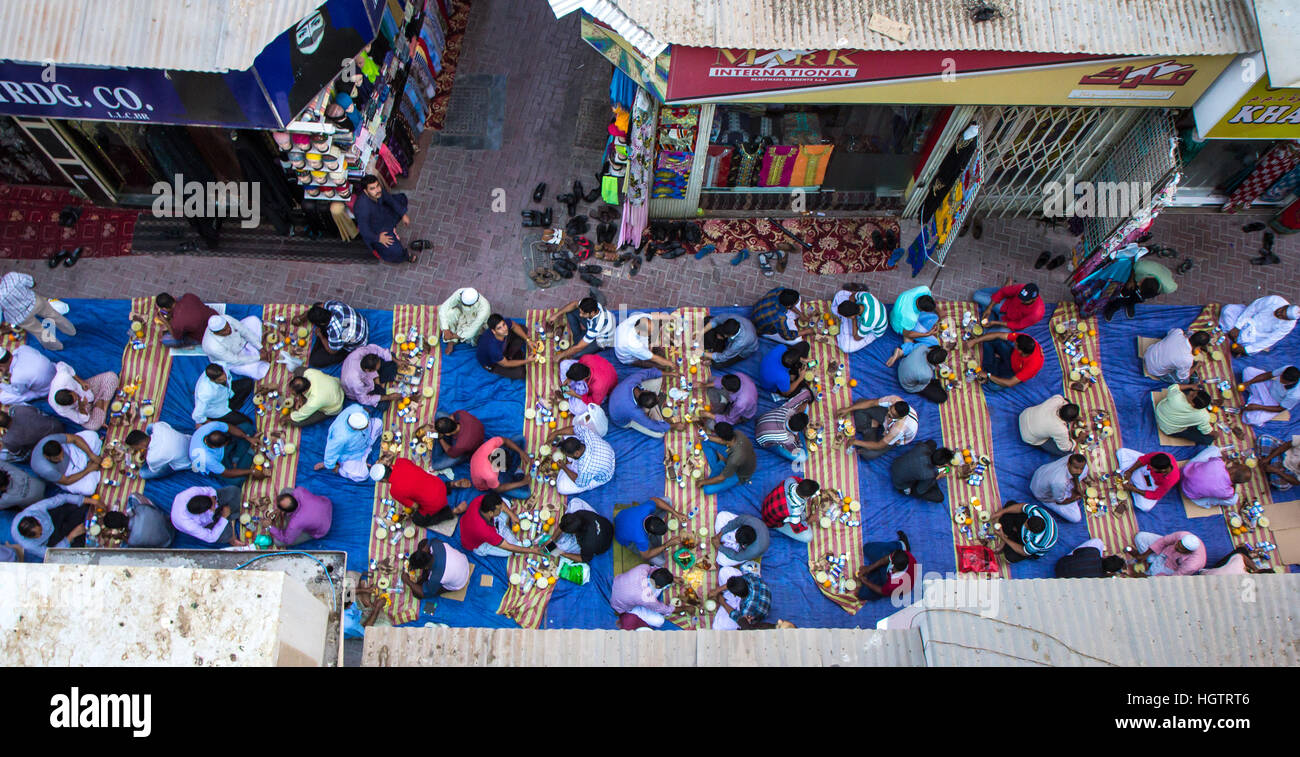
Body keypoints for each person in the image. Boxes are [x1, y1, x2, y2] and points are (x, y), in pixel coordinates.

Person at [372, 459, 472, 527]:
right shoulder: (401, 461)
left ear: (383, 480)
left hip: (436, 503)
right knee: (426, 485)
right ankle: (453, 484)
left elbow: (415, 506)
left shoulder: (395, 491)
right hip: (438, 484)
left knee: (417, 520)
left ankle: (453, 512)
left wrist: (409, 511)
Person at [353, 175, 421, 263]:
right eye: (372, 188)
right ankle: (405, 256)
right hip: (379, 230)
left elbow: (390, 200)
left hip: (386, 215)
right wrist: (378, 238)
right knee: (396, 251)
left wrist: (403, 214)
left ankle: (393, 229)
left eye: (378, 186)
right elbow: (364, 230)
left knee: (402, 199)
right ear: (365, 191)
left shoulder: (379, 192)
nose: (377, 190)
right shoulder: (362, 207)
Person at [0, 272, 76, 350]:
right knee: (55, 316)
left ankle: (57, 347)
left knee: (40, 332)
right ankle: (71, 331)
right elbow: (32, 283)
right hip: (35, 303)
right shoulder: (12, 277)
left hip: (20, 317)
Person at [458, 492, 543, 558]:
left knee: (505, 503)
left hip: (474, 525)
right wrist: (532, 551)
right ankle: (495, 536)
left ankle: (500, 527)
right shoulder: (485, 531)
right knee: (510, 550)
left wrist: (512, 515)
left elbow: (501, 503)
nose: (501, 509)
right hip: (478, 544)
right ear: (490, 513)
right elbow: (508, 546)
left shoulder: (479, 501)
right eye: (499, 509)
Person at [546, 419, 616, 495]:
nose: (566, 456)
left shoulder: (585, 468)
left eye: (568, 455)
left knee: (561, 487)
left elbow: (579, 483)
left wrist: (564, 467)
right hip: (607, 454)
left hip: (602, 475)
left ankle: (571, 465)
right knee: (569, 433)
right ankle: (571, 462)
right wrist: (556, 433)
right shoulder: (587, 435)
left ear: (576, 453)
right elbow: (574, 429)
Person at [612, 496, 688, 565]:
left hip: (621, 517)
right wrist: (667, 544)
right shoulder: (642, 539)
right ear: (650, 534)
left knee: (667, 501)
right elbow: (646, 556)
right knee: (661, 561)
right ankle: (658, 544)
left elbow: (655, 500)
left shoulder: (647, 509)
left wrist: (676, 514)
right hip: (623, 538)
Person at [10, 492, 87, 559]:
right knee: (78, 547)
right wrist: (71, 536)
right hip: (52, 538)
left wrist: (90, 501)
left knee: (81, 508)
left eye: (41, 529)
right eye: (40, 534)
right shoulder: (29, 545)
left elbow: (62, 498)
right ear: (30, 538)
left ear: (38, 521)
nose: (42, 533)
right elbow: (51, 554)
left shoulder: (35, 510)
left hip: (51, 517)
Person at [295, 301, 369, 368]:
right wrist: (302, 317)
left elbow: (332, 351)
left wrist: (320, 336)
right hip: (360, 324)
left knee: (314, 360)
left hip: (357, 342)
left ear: (322, 323)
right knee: (316, 305)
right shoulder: (335, 306)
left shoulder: (335, 333)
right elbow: (319, 306)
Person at [841, 396, 918, 460]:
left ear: (899, 417)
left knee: (867, 454)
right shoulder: (894, 400)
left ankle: (871, 428)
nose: (888, 413)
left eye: (892, 414)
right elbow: (872, 403)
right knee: (860, 403)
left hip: (894, 436)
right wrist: (848, 409)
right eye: (890, 409)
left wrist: (856, 442)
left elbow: (880, 445)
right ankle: (868, 429)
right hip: (887, 422)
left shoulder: (899, 429)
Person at [315, 406, 381, 481]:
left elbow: (366, 411)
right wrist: (329, 465)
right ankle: (342, 468)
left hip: (366, 440)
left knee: (378, 423)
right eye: (365, 425)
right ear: (355, 428)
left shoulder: (356, 409)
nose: (368, 423)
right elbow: (330, 452)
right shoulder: (340, 437)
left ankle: (364, 457)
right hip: (351, 454)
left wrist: (366, 418)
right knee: (363, 475)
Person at [48, 361, 118, 431]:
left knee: (111, 377)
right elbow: (80, 420)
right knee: (94, 426)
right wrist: (82, 408)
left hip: (85, 389)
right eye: (75, 400)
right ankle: (99, 403)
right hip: (80, 408)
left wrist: (80, 381)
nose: (78, 398)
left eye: (76, 396)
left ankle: (103, 409)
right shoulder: (62, 410)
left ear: (69, 390)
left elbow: (61, 364)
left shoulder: (63, 378)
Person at [1219, 295, 1298, 356]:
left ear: (1287, 320)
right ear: (1286, 306)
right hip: (1247, 319)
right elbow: (1252, 309)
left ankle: (1236, 341)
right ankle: (1234, 336)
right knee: (1228, 310)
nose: (1278, 314)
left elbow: (1271, 339)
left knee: (1252, 349)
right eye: (1281, 310)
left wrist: (1246, 349)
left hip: (1255, 336)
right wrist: (1237, 327)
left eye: (1282, 316)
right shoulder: (1275, 300)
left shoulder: (1288, 325)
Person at [202, 313, 270, 380]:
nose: (229, 330)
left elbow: (244, 331)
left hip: (243, 342)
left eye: (228, 326)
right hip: (234, 359)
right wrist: (259, 357)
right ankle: (256, 356)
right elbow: (235, 360)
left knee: (253, 320)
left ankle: (256, 352)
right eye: (224, 331)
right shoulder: (213, 347)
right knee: (257, 371)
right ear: (216, 333)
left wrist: (260, 347)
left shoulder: (226, 319)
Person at [189, 420, 259, 485]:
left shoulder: (211, 427)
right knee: (238, 480)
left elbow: (229, 427)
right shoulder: (208, 459)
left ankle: (236, 458)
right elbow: (226, 473)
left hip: (225, 450)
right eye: (224, 444)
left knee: (246, 427)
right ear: (214, 447)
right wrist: (251, 471)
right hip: (220, 462)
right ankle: (250, 451)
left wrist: (247, 437)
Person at [31, 432, 102, 495]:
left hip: (71, 454)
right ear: (47, 457)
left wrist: (91, 455)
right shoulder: (46, 469)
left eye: (61, 455)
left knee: (92, 436)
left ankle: (91, 463)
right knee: (89, 489)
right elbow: (67, 481)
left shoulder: (50, 440)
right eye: (57, 458)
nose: (61, 459)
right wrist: (88, 469)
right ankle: (91, 467)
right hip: (67, 473)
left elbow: (75, 439)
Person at [170, 484, 245, 545]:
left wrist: (213, 499)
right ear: (202, 513)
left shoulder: (192, 492)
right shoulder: (188, 525)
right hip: (206, 524)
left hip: (211, 505)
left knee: (233, 491)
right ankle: (230, 521)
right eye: (212, 507)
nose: (215, 506)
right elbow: (211, 537)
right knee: (225, 535)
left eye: (213, 504)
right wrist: (224, 517)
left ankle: (231, 517)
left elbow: (210, 490)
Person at [696, 422, 756, 495]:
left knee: (707, 489)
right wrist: (706, 436)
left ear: (722, 438)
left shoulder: (735, 458)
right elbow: (723, 441)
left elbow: (721, 478)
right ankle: (721, 464)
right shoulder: (737, 433)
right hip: (733, 455)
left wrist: (702, 482)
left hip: (738, 473)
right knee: (705, 440)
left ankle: (720, 465)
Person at [1180, 446, 1250, 509]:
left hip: (1184, 472)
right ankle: (1207, 501)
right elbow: (1230, 493)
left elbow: (1217, 459)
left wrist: (1225, 462)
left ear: (1233, 470)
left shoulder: (1219, 463)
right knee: (1233, 500)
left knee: (1214, 449)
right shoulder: (1228, 492)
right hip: (1190, 494)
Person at [754, 387, 811, 463]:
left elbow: (805, 393)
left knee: (806, 407)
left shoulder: (787, 410)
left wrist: (806, 401)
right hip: (762, 441)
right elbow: (794, 449)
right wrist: (799, 441)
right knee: (803, 457)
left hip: (761, 421)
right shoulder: (787, 439)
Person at [1028, 453, 1089, 523]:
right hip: (1042, 494)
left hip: (1041, 473)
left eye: (1081, 468)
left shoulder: (1071, 457)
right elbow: (1060, 502)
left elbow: (1077, 472)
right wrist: (1075, 497)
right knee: (1076, 518)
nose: (1079, 471)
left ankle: (1071, 487)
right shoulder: (1059, 482)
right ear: (1068, 464)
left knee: (1086, 468)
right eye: (1076, 468)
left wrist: (1077, 485)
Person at [402, 538, 472, 598]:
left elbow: (423, 593)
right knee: (422, 543)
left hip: (460, 581)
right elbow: (427, 542)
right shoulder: (436, 545)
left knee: (416, 593)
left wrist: (407, 581)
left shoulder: (435, 578)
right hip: (463, 561)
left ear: (426, 567)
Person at [609, 368, 670, 438]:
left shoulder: (632, 381)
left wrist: (672, 374)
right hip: (622, 419)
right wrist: (671, 425)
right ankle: (653, 408)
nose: (659, 398)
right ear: (641, 407)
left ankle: (653, 405)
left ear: (646, 390)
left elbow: (649, 372)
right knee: (660, 434)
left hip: (618, 399)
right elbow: (652, 425)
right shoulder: (635, 412)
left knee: (658, 378)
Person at [970, 331, 1043, 389]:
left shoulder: (1032, 366)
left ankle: (990, 369)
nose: (1013, 342)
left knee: (993, 386)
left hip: (1013, 371)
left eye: (1015, 344)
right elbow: (998, 335)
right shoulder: (1024, 339)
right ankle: (991, 367)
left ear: (1020, 351)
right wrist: (975, 341)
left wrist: (988, 375)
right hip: (1011, 355)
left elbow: (1010, 382)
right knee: (989, 340)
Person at [990, 501, 1058, 563]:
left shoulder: (1039, 542)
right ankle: (1010, 534)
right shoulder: (1038, 512)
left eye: (1026, 525)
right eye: (1027, 521)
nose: (1025, 523)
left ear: (1030, 531)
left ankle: (1008, 536)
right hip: (1025, 530)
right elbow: (1021, 507)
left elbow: (1023, 551)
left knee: (1010, 557)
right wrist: (1001, 512)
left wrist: (1003, 537)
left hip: (1026, 545)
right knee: (1010, 505)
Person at [856, 531, 916, 601]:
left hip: (888, 582)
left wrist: (865, 581)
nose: (891, 565)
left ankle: (874, 576)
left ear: (897, 570)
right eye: (891, 562)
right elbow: (886, 559)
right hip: (889, 572)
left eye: (893, 568)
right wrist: (868, 569)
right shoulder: (906, 556)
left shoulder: (894, 583)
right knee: (867, 548)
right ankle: (903, 545)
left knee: (862, 594)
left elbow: (881, 591)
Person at [550, 498, 614, 563]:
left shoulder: (587, 543)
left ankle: (560, 550)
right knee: (574, 501)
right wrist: (551, 539)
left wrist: (563, 554)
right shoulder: (579, 515)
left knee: (557, 549)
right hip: (605, 525)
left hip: (602, 543)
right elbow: (563, 525)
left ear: (574, 533)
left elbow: (584, 559)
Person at [610, 565, 677, 627]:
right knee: (659, 621)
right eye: (666, 586)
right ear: (658, 586)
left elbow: (654, 569)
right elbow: (664, 609)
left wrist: (672, 579)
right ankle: (629, 614)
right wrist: (682, 608)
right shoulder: (647, 597)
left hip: (617, 584)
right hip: (620, 606)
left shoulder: (643, 567)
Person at [1115, 449, 1181, 511]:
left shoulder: (1172, 479)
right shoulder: (1163, 457)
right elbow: (1144, 459)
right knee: (1121, 452)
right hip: (1143, 470)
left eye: (1153, 468)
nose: (1151, 467)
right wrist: (1130, 471)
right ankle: (1131, 480)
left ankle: (1133, 485)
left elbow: (1156, 495)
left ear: (1163, 471)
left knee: (1145, 506)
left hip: (1151, 484)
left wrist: (1134, 489)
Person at [101, 493, 175, 548]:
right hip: (172, 521)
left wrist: (122, 537)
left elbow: (129, 542)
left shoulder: (132, 541)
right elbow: (134, 496)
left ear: (118, 528)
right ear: (120, 512)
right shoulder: (141, 509)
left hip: (167, 542)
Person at [267, 487, 333, 546]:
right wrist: (279, 509)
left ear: (284, 511)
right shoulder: (299, 491)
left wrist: (270, 527)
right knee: (285, 490)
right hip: (326, 504)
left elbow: (288, 540)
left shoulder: (295, 523)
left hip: (323, 529)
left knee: (278, 542)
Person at [761, 476, 819, 543]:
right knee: (808, 537)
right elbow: (797, 529)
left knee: (802, 516)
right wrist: (810, 520)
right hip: (772, 521)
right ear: (806, 497)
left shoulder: (790, 481)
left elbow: (801, 481)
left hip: (767, 504)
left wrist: (814, 495)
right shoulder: (794, 511)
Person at [831, 286, 888, 353]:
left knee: (846, 347)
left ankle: (845, 323)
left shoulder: (867, 322)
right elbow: (852, 296)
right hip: (863, 314)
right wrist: (850, 309)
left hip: (873, 330)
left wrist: (854, 320)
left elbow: (857, 338)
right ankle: (845, 322)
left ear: (852, 316)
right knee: (839, 295)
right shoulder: (864, 296)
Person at [973, 280, 1045, 332]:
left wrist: (996, 323)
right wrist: (989, 308)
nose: (1021, 301)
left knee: (986, 333)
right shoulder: (1022, 288)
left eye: (1025, 300)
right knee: (976, 296)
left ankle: (993, 316)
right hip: (1005, 306)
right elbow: (1003, 292)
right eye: (1021, 297)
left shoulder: (1036, 313)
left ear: (1034, 299)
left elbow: (1018, 325)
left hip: (1009, 322)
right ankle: (1008, 288)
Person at [126, 423, 192, 480]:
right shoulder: (158, 426)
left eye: (136, 448)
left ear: (140, 445)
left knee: (143, 473)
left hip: (188, 461)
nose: (137, 450)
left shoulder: (151, 458)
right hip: (191, 440)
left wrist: (147, 454)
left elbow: (154, 470)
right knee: (149, 427)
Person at [1143, 328, 1210, 384]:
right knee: (1186, 381)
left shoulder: (1177, 332)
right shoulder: (1187, 359)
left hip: (1149, 353)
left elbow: (1170, 333)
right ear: (1199, 346)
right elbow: (1182, 377)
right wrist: (1196, 366)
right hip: (1153, 369)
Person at [437, 287, 491, 355]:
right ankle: (451, 342)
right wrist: (446, 329)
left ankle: (453, 338)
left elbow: (472, 331)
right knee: (450, 313)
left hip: (476, 323)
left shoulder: (484, 309)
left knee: (472, 337)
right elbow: (443, 308)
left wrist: (453, 336)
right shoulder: (460, 293)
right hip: (463, 315)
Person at [477, 314, 532, 379]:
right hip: (493, 363)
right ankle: (507, 358)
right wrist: (527, 361)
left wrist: (528, 340)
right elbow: (506, 363)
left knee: (522, 329)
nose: (504, 329)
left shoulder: (503, 326)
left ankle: (510, 355)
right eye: (499, 328)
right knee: (521, 373)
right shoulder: (493, 349)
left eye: (504, 324)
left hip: (502, 348)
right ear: (493, 331)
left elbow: (514, 325)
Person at [1129, 531, 1206, 576]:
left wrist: (1144, 577)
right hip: (1165, 550)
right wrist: (1144, 555)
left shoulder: (1192, 565)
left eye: (1180, 549)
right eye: (1177, 544)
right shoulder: (1182, 535)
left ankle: (1151, 563)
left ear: (1188, 552)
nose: (1176, 548)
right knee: (1140, 537)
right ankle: (1150, 559)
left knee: (1153, 576)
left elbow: (1176, 576)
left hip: (1171, 566)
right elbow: (1164, 541)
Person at [1054, 538, 1125, 578]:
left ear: (1106, 556)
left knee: (1098, 542)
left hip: (1061, 564)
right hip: (1062, 579)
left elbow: (1076, 552)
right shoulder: (1099, 578)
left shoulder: (1093, 552)